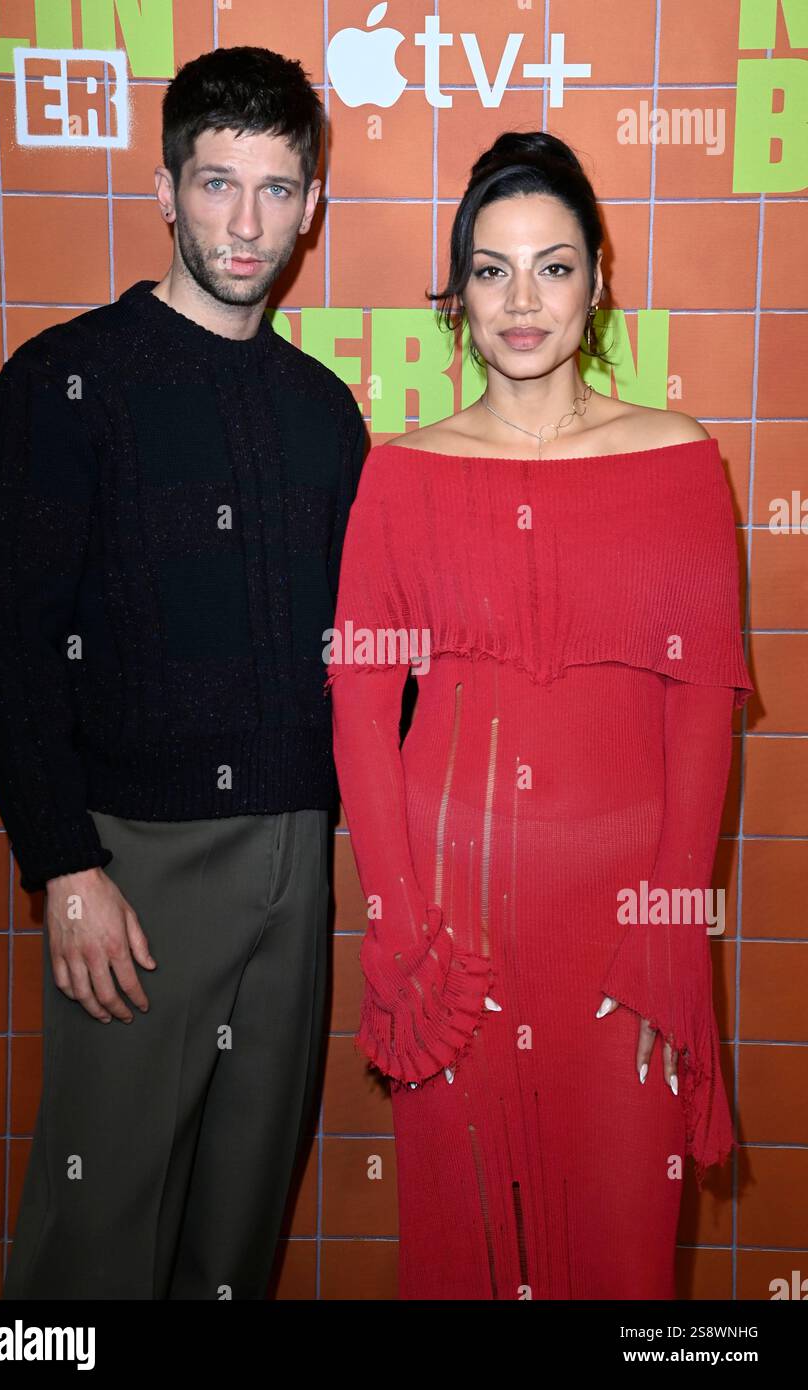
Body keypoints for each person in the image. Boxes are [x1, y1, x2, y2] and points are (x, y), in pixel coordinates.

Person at [0, 46, 367, 1300]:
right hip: (130, 867)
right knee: (97, 1243)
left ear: (311, 205)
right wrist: (65, 866)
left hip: (298, 857)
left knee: (237, 1233)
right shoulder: (59, 384)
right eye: (215, 184)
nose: (245, 224)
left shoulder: (325, 410)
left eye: (275, 189)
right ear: (163, 188)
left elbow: (359, 646)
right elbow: (10, 642)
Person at [326, 130, 754, 1300]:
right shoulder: (401, 472)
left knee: (625, 1266)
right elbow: (361, 707)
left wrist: (670, 923)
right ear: (458, 289)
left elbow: (700, 711)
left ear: (598, 282)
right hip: (451, 944)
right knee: (458, 1260)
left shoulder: (675, 461)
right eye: (494, 268)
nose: (524, 301)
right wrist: (402, 925)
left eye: (553, 267)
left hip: (626, 932)